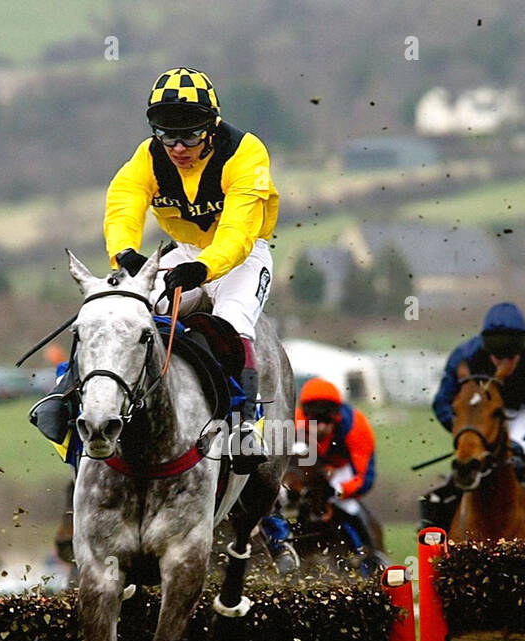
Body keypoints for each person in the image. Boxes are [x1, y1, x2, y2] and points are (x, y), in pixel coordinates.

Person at [30, 66, 280, 473]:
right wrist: (124, 255)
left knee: (233, 323)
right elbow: (124, 200)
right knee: (119, 312)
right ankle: (67, 398)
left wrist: (203, 269)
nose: (177, 147)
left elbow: (237, 233)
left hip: (242, 257)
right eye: (166, 135)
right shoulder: (147, 157)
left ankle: (245, 424)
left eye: (189, 135)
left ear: (212, 127)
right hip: (183, 254)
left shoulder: (246, 153)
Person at [421, 302, 525, 533]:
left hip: (523, 417)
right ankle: (431, 545)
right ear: (487, 351)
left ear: (521, 351)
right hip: (478, 419)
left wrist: (524, 444)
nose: (503, 364)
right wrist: (468, 434)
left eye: (511, 357)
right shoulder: (464, 357)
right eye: (497, 357)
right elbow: (442, 402)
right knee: (452, 483)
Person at [290, 377, 381, 572]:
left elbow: (364, 479)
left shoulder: (356, 427)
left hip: (343, 468)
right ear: (306, 416)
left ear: (336, 416)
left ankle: (366, 554)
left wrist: (335, 492)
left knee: (346, 505)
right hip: (314, 467)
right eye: (316, 422)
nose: (321, 428)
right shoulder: (296, 422)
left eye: (326, 422)